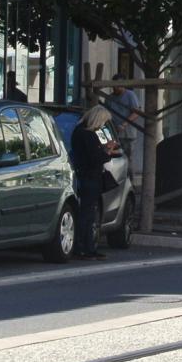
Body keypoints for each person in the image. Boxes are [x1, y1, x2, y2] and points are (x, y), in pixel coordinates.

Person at [70, 105, 119, 259]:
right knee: (87, 215)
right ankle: (84, 248)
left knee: (86, 214)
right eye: (103, 122)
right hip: (90, 177)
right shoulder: (89, 135)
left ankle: (84, 247)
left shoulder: (78, 132)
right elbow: (95, 158)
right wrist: (108, 152)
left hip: (83, 175)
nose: (102, 125)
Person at [106, 75, 144, 187]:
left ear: (123, 85)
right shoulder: (110, 98)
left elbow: (136, 112)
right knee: (114, 158)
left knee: (127, 158)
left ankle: (130, 183)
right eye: (113, 86)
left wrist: (124, 124)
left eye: (118, 86)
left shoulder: (130, 95)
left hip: (127, 133)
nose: (115, 88)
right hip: (113, 133)